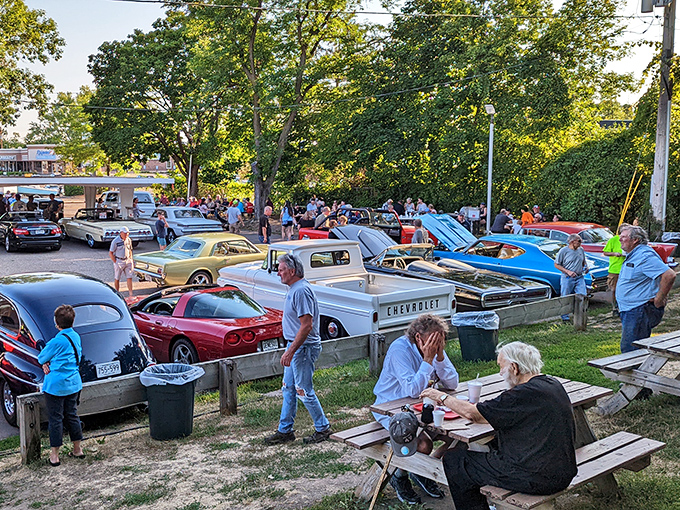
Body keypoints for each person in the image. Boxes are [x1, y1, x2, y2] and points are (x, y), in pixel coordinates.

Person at [421, 342, 577, 510]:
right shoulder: (551, 384)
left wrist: (441, 397)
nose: (500, 373)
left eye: (501, 367)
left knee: (455, 461)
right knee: (485, 447)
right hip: (563, 472)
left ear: (515, 368)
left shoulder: (522, 394)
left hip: (538, 478)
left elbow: (473, 414)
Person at [373, 314, 459, 504]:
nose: (435, 346)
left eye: (440, 341)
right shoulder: (399, 349)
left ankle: (423, 471)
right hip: (391, 408)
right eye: (432, 342)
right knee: (422, 444)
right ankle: (400, 477)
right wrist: (427, 360)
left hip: (423, 408)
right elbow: (412, 390)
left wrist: (440, 356)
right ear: (418, 338)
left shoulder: (435, 350)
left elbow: (453, 382)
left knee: (459, 438)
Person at [264, 253, 332, 446]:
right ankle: (285, 431)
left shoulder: (301, 291)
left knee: (303, 390)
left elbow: (306, 325)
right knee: (288, 389)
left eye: (281, 269)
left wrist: (291, 350)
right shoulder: (295, 289)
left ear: (292, 271)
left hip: (302, 348)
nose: (278, 273)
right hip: (295, 347)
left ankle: (323, 428)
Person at [38, 305, 85, 466]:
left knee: (56, 419)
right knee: (72, 415)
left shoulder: (56, 341)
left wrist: (46, 362)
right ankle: (78, 449)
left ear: (56, 324)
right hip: (73, 383)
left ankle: (55, 455)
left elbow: (41, 357)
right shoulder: (76, 336)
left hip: (56, 385)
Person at [617, 225, 676, 353]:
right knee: (632, 350)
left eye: (623, 237)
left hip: (638, 310)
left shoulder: (644, 256)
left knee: (631, 352)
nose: (620, 239)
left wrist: (659, 299)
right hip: (630, 309)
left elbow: (669, 275)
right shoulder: (633, 254)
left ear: (635, 240)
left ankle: (634, 373)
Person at [554, 234, 588, 322]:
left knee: (582, 295)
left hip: (579, 277)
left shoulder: (581, 250)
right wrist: (568, 271)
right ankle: (565, 317)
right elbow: (556, 264)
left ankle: (579, 315)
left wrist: (586, 267)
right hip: (567, 277)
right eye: (579, 241)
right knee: (566, 296)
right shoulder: (563, 251)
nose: (581, 243)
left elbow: (583, 261)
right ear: (572, 242)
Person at [603, 225, 627, 317]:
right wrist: (615, 254)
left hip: (627, 268)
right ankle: (614, 308)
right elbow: (605, 252)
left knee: (625, 289)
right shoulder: (613, 240)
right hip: (615, 269)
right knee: (614, 289)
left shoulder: (630, 240)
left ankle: (623, 307)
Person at [109, 226, 134, 298]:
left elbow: (130, 249)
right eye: (125, 233)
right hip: (119, 260)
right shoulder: (115, 241)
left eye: (128, 233)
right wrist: (115, 261)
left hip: (127, 260)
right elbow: (111, 252)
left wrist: (131, 259)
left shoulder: (128, 240)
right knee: (117, 278)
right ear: (121, 233)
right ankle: (117, 293)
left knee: (129, 277)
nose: (126, 235)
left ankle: (131, 294)